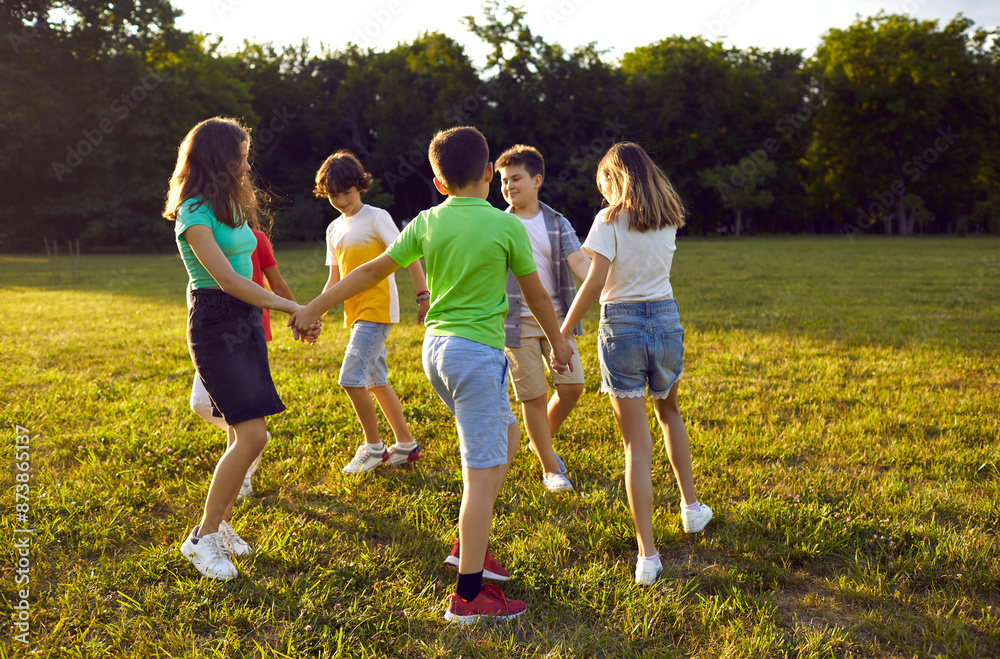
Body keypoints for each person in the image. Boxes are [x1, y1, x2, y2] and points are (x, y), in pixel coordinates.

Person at [290, 126, 575, 623]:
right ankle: (469, 596)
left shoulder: (425, 220)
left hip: (436, 353)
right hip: (475, 357)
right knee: (480, 479)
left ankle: (469, 541)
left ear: (439, 182)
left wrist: (314, 306)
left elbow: (369, 272)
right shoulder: (505, 226)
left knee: (508, 435)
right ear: (489, 173)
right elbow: (534, 294)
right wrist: (559, 342)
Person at [165, 116, 319, 580]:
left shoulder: (229, 204)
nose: (247, 160)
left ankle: (222, 524)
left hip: (245, 319)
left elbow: (250, 269)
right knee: (254, 436)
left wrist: (281, 308)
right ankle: (202, 537)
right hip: (216, 321)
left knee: (243, 433)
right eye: (241, 152)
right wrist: (293, 306)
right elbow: (228, 280)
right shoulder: (193, 212)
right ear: (219, 157)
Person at [559, 142, 712, 587]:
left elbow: (594, 283)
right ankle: (690, 508)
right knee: (670, 414)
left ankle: (648, 554)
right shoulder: (668, 219)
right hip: (666, 320)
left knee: (635, 448)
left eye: (602, 181)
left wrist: (564, 333)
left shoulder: (608, 220)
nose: (601, 191)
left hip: (622, 326)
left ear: (614, 178)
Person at [313, 150, 430, 474]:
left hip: (377, 311)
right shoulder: (334, 229)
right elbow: (334, 279)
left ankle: (374, 447)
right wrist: (317, 313)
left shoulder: (377, 217)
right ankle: (406, 445)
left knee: (351, 379)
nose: (340, 200)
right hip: (355, 313)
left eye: (346, 193)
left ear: (360, 187)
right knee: (376, 381)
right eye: (333, 195)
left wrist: (423, 296)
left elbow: (409, 257)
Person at [496, 144, 590, 493]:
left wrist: (600, 278)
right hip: (516, 321)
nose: (508, 186)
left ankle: (540, 442)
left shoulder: (556, 221)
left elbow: (578, 260)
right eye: (504, 180)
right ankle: (550, 469)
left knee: (572, 387)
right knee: (533, 396)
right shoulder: (500, 224)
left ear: (537, 180)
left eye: (516, 178)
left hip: (557, 320)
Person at [188, 227, 296, 497]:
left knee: (231, 412)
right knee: (204, 405)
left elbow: (276, 283)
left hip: (244, 330)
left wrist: (301, 314)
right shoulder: (203, 232)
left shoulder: (255, 238)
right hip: (211, 332)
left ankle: (243, 471)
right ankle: (252, 440)